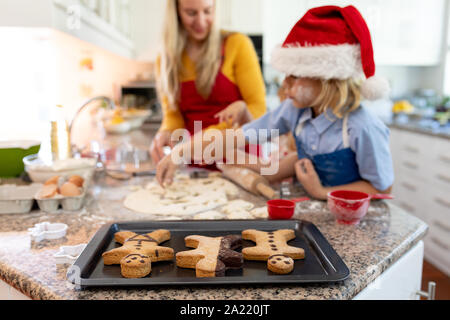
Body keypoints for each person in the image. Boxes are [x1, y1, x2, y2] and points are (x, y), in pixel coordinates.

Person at [156, 5, 394, 200]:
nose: (284, 84)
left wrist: (321, 192)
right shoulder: (295, 111)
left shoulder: (362, 127)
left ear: (327, 79)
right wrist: (181, 152)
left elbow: (382, 188)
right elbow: (234, 137)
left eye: (294, 75)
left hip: (356, 221)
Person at [150, 0, 266, 165]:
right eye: (191, 13)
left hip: (242, 159)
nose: (201, 21)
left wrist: (206, 139)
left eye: (207, 11)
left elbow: (258, 110)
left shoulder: (237, 45)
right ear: (176, 11)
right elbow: (173, 115)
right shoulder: (166, 59)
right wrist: (166, 132)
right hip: (197, 161)